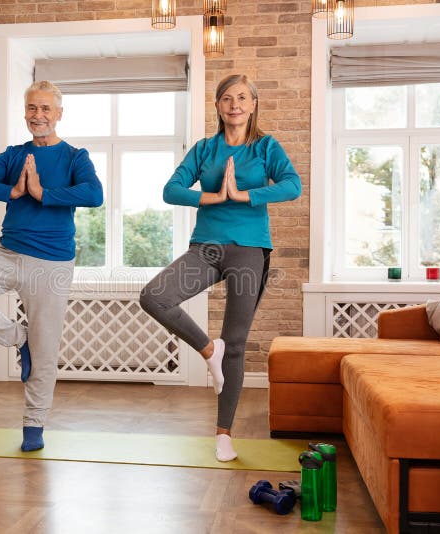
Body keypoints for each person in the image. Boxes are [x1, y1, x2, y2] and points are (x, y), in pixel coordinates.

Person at [139, 74, 301, 462]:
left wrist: (244, 195)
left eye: (242, 98)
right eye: (227, 98)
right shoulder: (205, 149)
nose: (235, 105)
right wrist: (212, 197)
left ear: (254, 103)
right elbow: (171, 189)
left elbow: (292, 185)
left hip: (250, 250)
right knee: (155, 297)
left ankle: (223, 434)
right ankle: (209, 349)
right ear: (217, 105)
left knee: (238, 342)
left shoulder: (265, 146)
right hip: (207, 248)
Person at [0, 81, 103, 452]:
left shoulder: (76, 157)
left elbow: (94, 194)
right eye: (32, 108)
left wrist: (44, 194)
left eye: (45, 109)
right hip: (7, 253)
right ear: (25, 112)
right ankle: (18, 337)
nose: (37, 116)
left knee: (46, 350)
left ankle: (33, 425)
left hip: (52, 263)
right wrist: (11, 191)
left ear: (59, 114)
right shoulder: (14, 155)